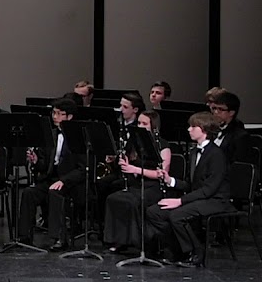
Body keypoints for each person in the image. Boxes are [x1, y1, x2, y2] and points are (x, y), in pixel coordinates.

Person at [145, 112, 233, 266]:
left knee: (177, 215)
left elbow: (209, 189)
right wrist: (170, 180)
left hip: (216, 200)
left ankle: (196, 252)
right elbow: (190, 184)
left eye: (193, 126)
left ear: (204, 129)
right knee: (154, 212)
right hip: (200, 197)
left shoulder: (217, 154)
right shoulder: (193, 153)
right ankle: (178, 249)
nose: (189, 129)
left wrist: (180, 201)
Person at [16, 98, 86, 250]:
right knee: (29, 193)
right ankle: (24, 236)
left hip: (71, 182)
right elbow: (45, 164)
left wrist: (64, 181)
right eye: (54, 113)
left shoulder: (78, 137)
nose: (55, 117)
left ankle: (59, 238)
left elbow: (83, 169)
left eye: (60, 114)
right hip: (51, 179)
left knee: (55, 193)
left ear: (69, 117)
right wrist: (36, 161)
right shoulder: (51, 135)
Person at [104, 109, 170, 253]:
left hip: (155, 187)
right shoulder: (134, 143)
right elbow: (128, 165)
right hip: (139, 184)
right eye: (139, 123)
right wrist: (121, 162)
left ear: (154, 126)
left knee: (133, 202)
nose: (140, 126)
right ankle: (119, 240)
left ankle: (139, 242)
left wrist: (135, 169)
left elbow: (161, 174)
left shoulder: (163, 145)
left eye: (144, 124)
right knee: (113, 198)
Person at [208, 90, 248, 163]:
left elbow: (237, 165)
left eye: (220, 109)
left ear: (231, 113)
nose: (216, 112)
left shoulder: (240, 137)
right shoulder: (209, 130)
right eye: (214, 108)